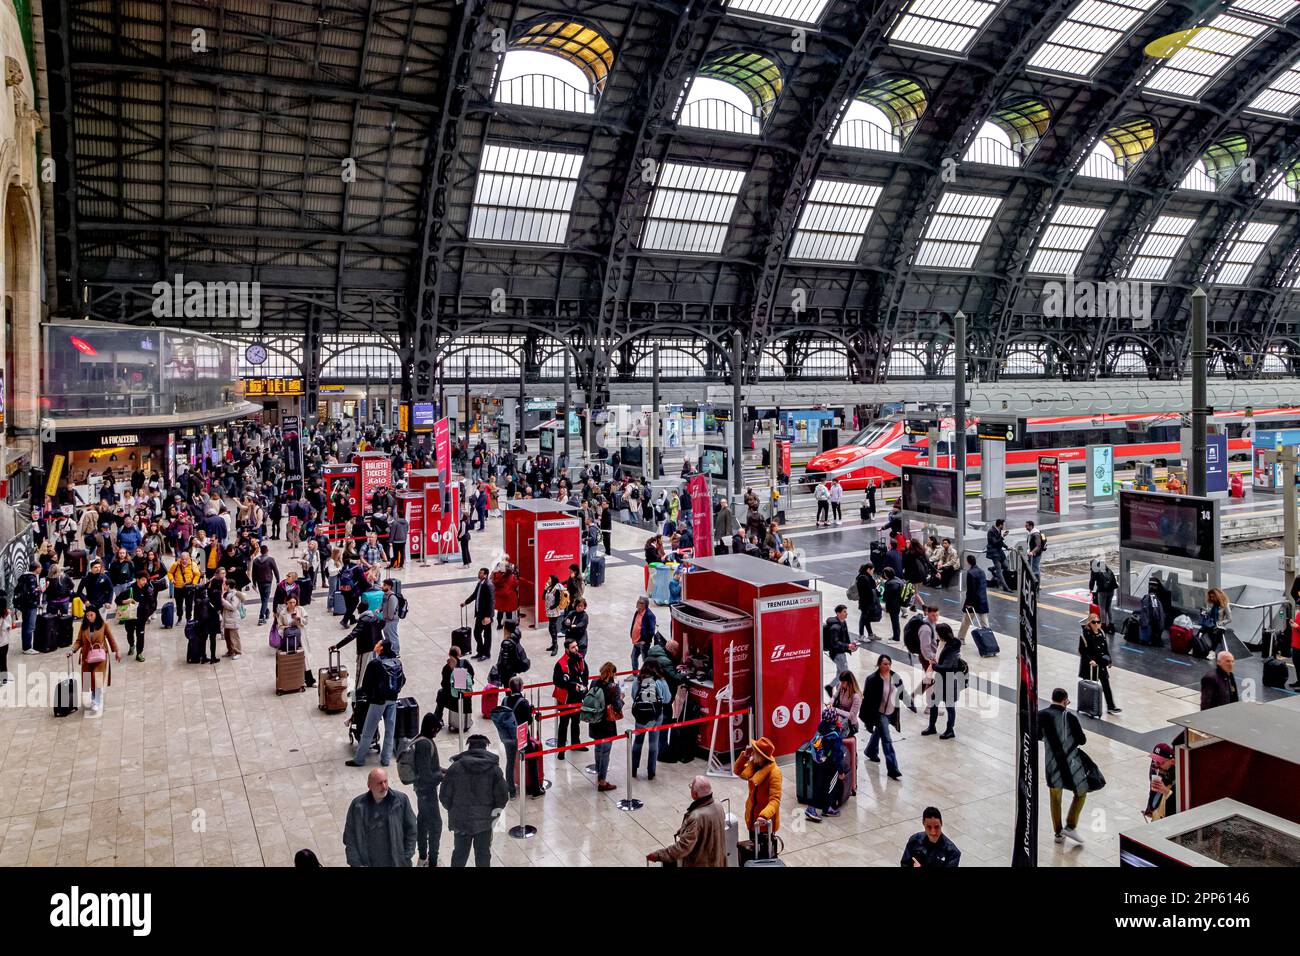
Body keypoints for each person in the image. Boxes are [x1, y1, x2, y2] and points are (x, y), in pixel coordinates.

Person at [440, 734, 510, 867]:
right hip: (484, 823)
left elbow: (444, 796)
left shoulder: (455, 768)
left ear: (469, 747)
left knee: (459, 856)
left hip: (460, 822)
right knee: (483, 856)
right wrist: (493, 814)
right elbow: (502, 796)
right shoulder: (494, 769)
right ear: (485, 747)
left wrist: (454, 810)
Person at [1038, 687, 1092, 845]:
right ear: (1065, 700)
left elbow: (1037, 735)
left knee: (1055, 799)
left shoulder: (1041, 715)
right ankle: (1071, 825)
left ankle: (1058, 832)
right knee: (1081, 793)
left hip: (1051, 765)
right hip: (1071, 764)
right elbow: (1082, 740)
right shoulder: (1070, 717)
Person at [342, 767, 418, 867]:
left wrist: (406, 855)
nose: (384, 786)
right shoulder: (357, 806)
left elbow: (412, 829)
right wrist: (356, 863)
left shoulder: (400, 801)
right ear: (369, 785)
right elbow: (349, 836)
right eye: (379, 783)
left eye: (385, 781)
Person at [347, 639, 405, 767]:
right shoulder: (397, 662)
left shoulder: (375, 664)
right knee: (390, 731)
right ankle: (385, 759)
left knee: (368, 731)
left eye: (378, 644)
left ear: (382, 648)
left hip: (377, 701)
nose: (376, 645)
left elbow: (366, 685)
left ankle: (359, 759)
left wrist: (367, 695)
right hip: (392, 699)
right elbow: (403, 680)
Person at [646, 776, 727, 867]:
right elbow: (708, 827)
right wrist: (686, 829)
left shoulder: (696, 817)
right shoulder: (718, 805)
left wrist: (658, 855)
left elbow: (684, 847)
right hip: (718, 861)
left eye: (691, 788)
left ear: (695, 794)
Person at [862, 653, 913, 780]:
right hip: (880, 714)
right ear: (879, 664)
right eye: (885, 664)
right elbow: (866, 700)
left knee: (880, 732)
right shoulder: (872, 679)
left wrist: (910, 703)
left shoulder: (895, 677)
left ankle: (870, 751)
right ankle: (893, 769)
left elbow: (902, 692)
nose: (888, 666)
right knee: (887, 740)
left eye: (889, 664)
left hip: (891, 712)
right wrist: (867, 721)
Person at [733, 737, 781, 852]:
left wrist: (763, 816)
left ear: (761, 756)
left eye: (754, 752)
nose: (752, 755)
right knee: (754, 849)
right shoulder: (754, 765)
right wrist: (745, 754)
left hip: (764, 823)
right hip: (753, 819)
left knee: (764, 853)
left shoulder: (775, 773)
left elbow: (775, 800)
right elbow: (737, 771)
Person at [71, 607, 121, 715]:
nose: (89, 617)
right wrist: (72, 650)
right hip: (87, 657)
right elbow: (79, 641)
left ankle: (96, 702)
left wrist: (116, 651)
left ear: (96, 615)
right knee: (89, 679)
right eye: (87, 615)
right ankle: (95, 696)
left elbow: (111, 639)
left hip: (100, 656)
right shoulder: (83, 627)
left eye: (91, 615)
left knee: (96, 676)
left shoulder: (104, 625)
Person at [411, 714, 445, 866]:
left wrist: (443, 770)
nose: (437, 733)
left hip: (421, 791)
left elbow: (431, 767)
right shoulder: (425, 744)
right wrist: (441, 777)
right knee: (435, 825)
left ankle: (423, 856)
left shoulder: (420, 738)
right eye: (436, 729)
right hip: (427, 792)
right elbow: (426, 774)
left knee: (423, 822)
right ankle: (432, 860)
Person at [584, 661, 623, 792]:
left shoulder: (594, 683)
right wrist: (622, 697)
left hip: (594, 720)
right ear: (612, 673)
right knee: (605, 751)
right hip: (607, 723)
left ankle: (598, 771)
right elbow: (617, 706)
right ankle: (602, 780)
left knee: (597, 747)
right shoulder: (614, 687)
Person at [804, 708, 847, 822]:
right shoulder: (835, 735)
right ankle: (827, 809)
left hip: (818, 760)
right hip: (830, 764)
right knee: (830, 785)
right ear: (834, 719)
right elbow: (837, 754)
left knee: (818, 784)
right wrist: (841, 771)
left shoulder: (821, 726)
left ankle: (811, 808)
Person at [495, 676, 535, 799]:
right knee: (531, 758)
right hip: (521, 737)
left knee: (510, 762)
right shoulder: (523, 702)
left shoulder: (505, 700)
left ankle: (511, 791)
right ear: (521, 687)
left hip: (507, 736)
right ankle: (535, 788)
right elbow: (529, 721)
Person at [630, 660, 670, 779]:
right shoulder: (660, 681)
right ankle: (651, 772)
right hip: (655, 716)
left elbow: (633, 696)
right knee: (653, 743)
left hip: (640, 716)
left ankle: (633, 768)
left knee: (638, 741)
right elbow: (667, 699)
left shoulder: (638, 680)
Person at [922, 623, 963, 739]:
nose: (936, 635)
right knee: (934, 704)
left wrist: (934, 665)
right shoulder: (941, 643)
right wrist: (934, 660)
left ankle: (950, 730)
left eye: (937, 633)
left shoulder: (952, 648)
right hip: (941, 679)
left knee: (950, 707)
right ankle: (931, 727)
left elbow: (947, 667)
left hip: (949, 680)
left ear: (942, 634)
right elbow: (939, 659)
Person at [552, 639, 589, 756]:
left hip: (577, 697)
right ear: (567, 649)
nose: (576, 649)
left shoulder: (580, 659)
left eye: (576, 646)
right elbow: (557, 681)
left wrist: (584, 686)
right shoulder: (560, 663)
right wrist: (574, 686)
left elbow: (585, 673)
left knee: (576, 721)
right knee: (563, 723)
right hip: (565, 698)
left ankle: (575, 743)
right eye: (573, 647)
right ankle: (561, 750)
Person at [1079, 613, 1119, 714]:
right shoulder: (1085, 635)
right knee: (1089, 686)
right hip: (1091, 665)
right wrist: (1090, 661)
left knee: (1106, 684)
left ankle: (1111, 706)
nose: (1096, 624)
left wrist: (1109, 659)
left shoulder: (1101, 633)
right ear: (1090, 623)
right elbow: (1083, 650)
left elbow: (1105, 648)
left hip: (1100, 663)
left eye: (1098, 622)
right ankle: (1088, 706)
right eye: (1094, 622)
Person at [115, 570, 156, 662]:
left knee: (140, 635)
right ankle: (132, 645)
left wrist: (147, 615)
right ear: (137, 579)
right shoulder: (130, 589)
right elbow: (117, 600)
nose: (145, 582)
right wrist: (125, 601)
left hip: (141, 618)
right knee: (130, 633)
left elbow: (153, 604)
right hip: (130, 617)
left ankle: (139, 653)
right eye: (143, 580)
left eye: (146, 580)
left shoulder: (148, 590)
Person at [461, 568, 495, 662]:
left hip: (486, 615)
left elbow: (491, 601)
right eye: (479, 572)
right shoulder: (480, 584)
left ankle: (486, 654)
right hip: (479, 614)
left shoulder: (488, 585)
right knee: (476, 633)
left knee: (487, 636)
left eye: (481, 573)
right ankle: (480, 651)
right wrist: (465, 602)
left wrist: (488, 616)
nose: (479, 574)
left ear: (485, 575)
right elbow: (475, 595)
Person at [957, 555, 990, 641]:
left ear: (968, 562)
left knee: (966, 621)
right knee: (985, 623)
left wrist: (969, 603)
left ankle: (961, 638)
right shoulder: (982, 571)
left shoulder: (970, 573)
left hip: (973, 602)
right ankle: (988, 640)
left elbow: (971, 590)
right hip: (982, 600)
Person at [1144, 743, 1177, 821]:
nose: (1156, 765)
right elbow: (1152, 789)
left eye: (1160, 762)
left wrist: (1166, 791)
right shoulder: (1154, 766)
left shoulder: (1179, 774)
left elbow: (1178, 806)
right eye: (1155, 760)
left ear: (1172, 761)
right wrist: (1150, 808)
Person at [822, 604, 856, 677]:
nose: (846, 613)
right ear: (838, 613)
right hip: (837, 653)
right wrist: (847, 646)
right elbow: (835, 643)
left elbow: (845, 637)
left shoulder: (843, 622)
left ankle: (835, 687)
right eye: (844, 612)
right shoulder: (835, 627)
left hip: (841, 651)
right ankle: (831, 686)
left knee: (840, 673)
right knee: (845, 673)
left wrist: (850, 645)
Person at [13, 562, 40, 656]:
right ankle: (28, 647)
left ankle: (25, 646)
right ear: (36, 568)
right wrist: (40, 590)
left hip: (24, 605)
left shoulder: (23, 577)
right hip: (31, 605)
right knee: (30, 626)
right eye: (39, 567)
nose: (40, 569)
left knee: (25, 626)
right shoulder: (32, 578)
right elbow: (33, 593)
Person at [493, 620, 530, 688]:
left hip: (507, 672)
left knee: (508, 689)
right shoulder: (515, 638)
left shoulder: (507, 643)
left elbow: (503, 662)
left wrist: (498, 671)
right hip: (513, 669)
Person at [1088, 558, 1118, 633]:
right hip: (1111, 589)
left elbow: (1092, 581)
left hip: (1102, 591)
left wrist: (1091, 589)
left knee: (1102, 608)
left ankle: (1103, 626)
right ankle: (1112, 624)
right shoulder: (1104, 566)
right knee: (1108, 607)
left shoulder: (1094, 569)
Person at [854, 562, 881, 641]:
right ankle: (861, 635)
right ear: (868, 569)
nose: (873, 572)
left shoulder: (864, 577)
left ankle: (870, 634)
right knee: (863, 618)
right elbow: (869, 590)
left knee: (866, 618)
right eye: (872, 570)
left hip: (865, 601)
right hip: (865, 601)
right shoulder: (864, 578)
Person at [629, 594, 656, 672]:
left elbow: (651, 630)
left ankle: (647, 674)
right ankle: (635, 674)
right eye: (638, 601)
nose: (637, 603)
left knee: (645, 660)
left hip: (643, 642)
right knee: (633, 657)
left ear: (645, 605)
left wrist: (645, 641)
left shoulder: (649, 615)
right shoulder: (637, 612)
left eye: (640, 602)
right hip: (636, 641)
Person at [220, 577, 244, 659]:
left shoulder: (235, 595)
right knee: (227, 636)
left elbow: (233, 607)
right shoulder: (227, 593)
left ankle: (238, 652)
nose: (223, 586)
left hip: (233, 618)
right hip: (227, 618)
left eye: (225, 585)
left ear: (228, 585)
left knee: (234, 636)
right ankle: (230, 651)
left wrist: (223, 600)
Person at [543, 573, 566, 655]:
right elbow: (543, 598)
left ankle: (555, 646)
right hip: (549, 611)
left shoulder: (556, 589)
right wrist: (545, 589)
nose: (548, 580)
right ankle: (553, 644)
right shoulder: (549, 588)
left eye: (549, 579)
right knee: (551, 627)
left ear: (553, 580)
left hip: (554, 612)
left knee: (552, 627)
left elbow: (557, 602)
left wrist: (551, 608)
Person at [985, 518, 1011, 590]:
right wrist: (1002, 537)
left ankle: (992, 568)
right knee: (999, 570)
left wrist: (1006, 547)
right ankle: (1005, 587)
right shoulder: (991, 531)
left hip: (999, 551)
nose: (1003, 526)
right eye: (1003, 525)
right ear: (1000, 525)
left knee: (1006, 566)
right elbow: (994, 542)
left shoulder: (999, 530)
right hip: (994, 552)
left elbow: (1000, 542)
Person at [880, 567, 904, 642]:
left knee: (895, 621)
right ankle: (895, 636)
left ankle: (896, 637)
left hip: (892, 605)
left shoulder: (889, 583)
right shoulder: (898, 580)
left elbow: (886, 596)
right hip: (898, 603)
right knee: (895, 621)